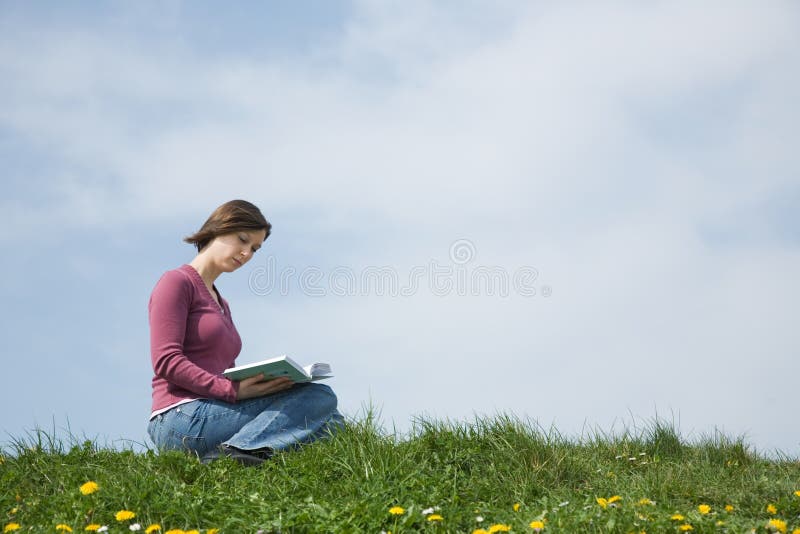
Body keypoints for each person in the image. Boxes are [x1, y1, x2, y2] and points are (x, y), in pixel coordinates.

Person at [147, 199, 344, 465]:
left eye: (254, 249)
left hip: (215, 409)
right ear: (220, 228)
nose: (246, 253)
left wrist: (259, 385)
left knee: (333, 423)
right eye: (242, 240)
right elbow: (166, 361)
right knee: (319, 397)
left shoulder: (222, 303)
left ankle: (241, 453)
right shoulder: (177, 282)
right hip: (179, 417)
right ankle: (235, 454)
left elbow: (224, 370)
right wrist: (233, 391)